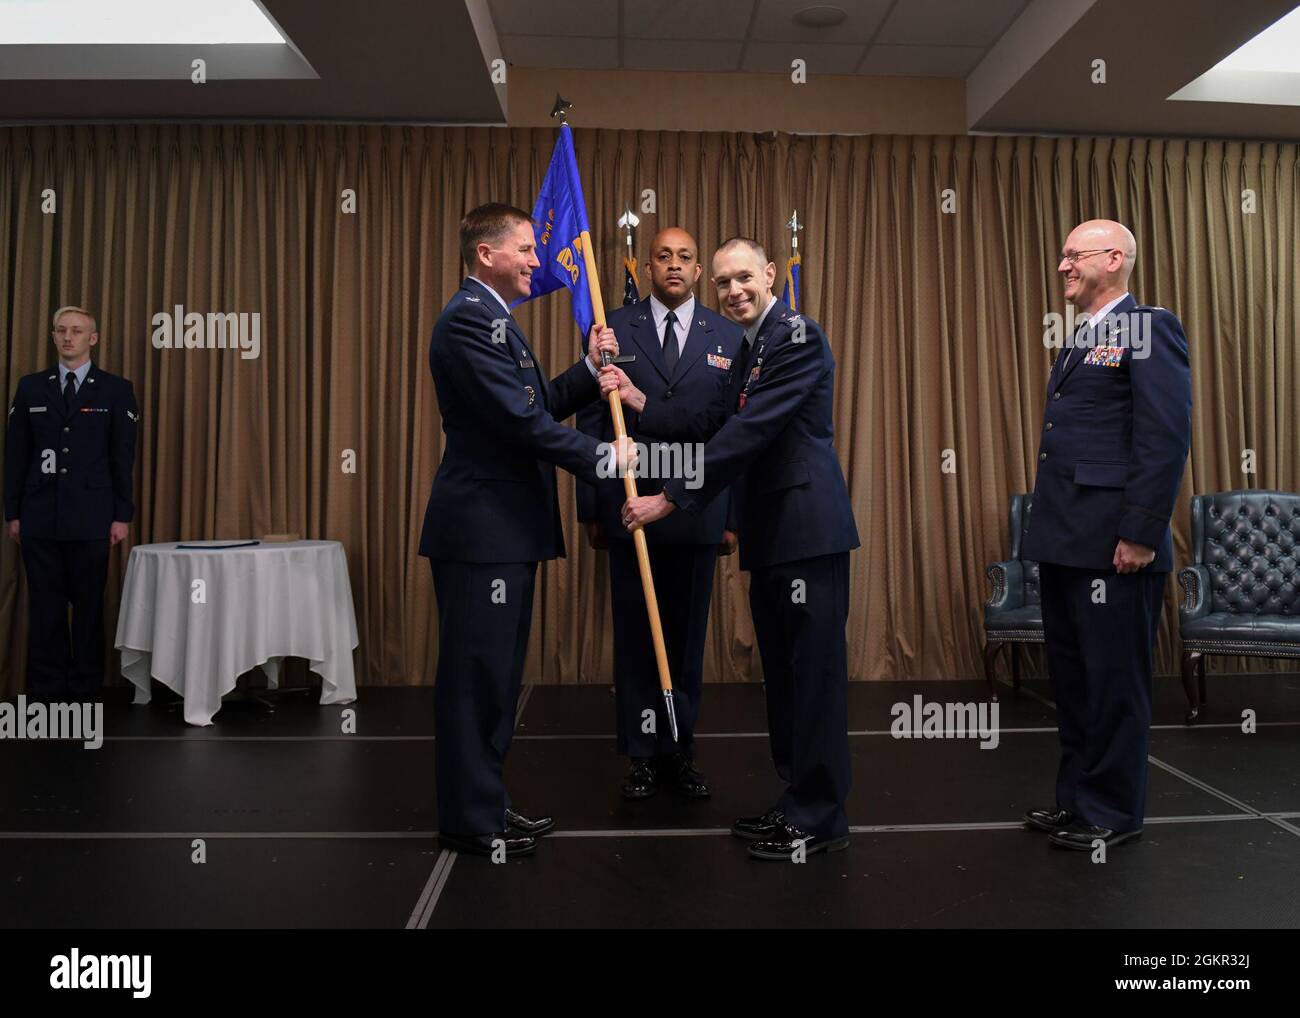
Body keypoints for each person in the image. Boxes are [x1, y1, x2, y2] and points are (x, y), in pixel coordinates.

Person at [609, 237, 859, 861]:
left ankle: (819, 817)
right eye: (722, 283)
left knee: (814, 679)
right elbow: (703, 420)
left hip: (807, 532)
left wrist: (667, 499)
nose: (733, 291)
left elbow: (745, 434)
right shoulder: (753, 348)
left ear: (771, 274)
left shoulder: (796, 337)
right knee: (785, 680)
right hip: (773, 536)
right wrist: (636, 398)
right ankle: (796, 799)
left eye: (743, 277)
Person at [419, 202, 634, 858]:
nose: (538, 261)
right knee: (476, 679)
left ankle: (487, 805)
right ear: (488, 255)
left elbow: (533, 403)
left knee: (499, 678)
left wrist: (589, 371)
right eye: (526, 249)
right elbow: (519, 425)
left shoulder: (494, 322)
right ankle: (470, 819)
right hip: (483, 534)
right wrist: (602, 456)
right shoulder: (467, 323)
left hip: (505, 533)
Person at [1020, 219, 1192, 851]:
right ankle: (1077, 800)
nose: (1062, 265)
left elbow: (1164, 434)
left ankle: (1113, 811)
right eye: (1061, 254)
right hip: (1066, 540)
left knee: (1114, 682)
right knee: (1074, 682)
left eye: (1075, 255)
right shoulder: (1080, 336)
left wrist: (1142, 531)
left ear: (1114, 259)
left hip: (1115, 545)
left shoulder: (1149, 328)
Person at [576, 227, 744, 801]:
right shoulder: (614, 329)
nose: (675, 266)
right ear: (647, 267)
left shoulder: (728, 334)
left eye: (686, 258)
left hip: (698, 507)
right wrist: (591, 510)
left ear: (699, 271)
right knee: (636, 639)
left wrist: (732, 516)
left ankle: (680, 751)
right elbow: (594, 421)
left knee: (686, 639)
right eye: (664, 257)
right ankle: (643, 755)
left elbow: (735, 435)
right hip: (629, 505)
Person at [4, 306, 138, 701]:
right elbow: (16, 455)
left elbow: (122, 457)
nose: (68, 337)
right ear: (53, 336)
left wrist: (121, 514)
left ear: (91, 339)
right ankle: (47, 691)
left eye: (77, 331)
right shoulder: (31, 387)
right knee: (45, 609)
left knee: (88, 608)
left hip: (92, 518)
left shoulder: (115, 389)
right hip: (39, 516)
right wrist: (13, 512)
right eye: (61, 330)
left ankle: (84, 689)